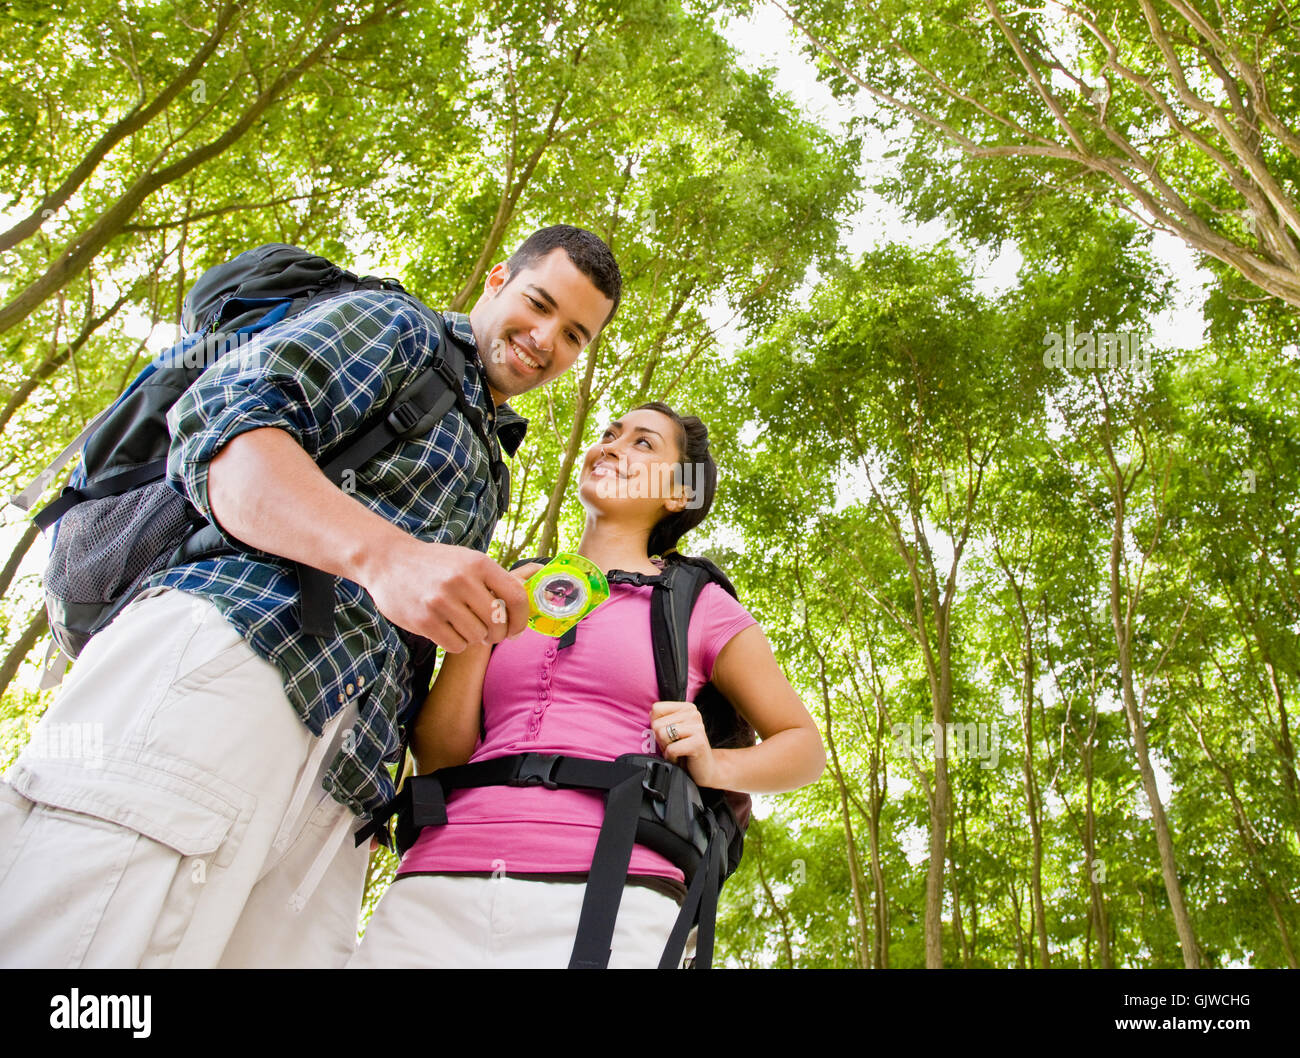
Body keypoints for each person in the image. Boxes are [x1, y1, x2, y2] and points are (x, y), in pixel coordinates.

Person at [0, 225, 621, 968]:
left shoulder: (494, 466)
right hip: (231, 663)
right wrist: (386, 555)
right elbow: (218, 425)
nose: (545, 338)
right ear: (496, 281)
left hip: (345, 787)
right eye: (539, 303)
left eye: (574, 334)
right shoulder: (400, 328)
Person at [349, 403, 825, 968]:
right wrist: (485, 625)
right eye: (609, 433)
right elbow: (442, 754)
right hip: (436, 877)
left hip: (616, 888)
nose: (612, 446)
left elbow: (803, 748)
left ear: (679, 494)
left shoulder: (698, 603)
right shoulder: (515, 584)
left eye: (643, 443)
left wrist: (713, 766)